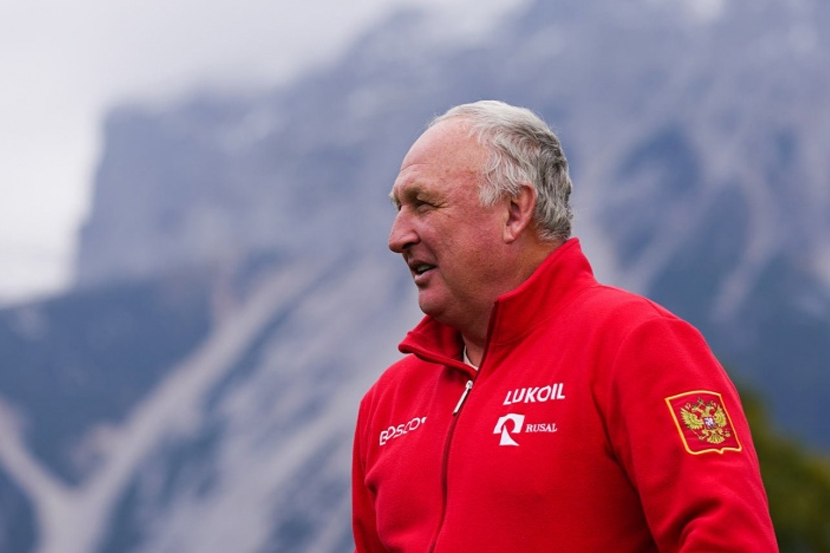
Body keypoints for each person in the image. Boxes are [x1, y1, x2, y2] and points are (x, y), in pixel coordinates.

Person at [351, 100, 778, 552]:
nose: (397, 237)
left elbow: (731, 540)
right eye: (398, 208)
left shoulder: (639, 344)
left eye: (423, 204)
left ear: (514, 211)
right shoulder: (386, 401)